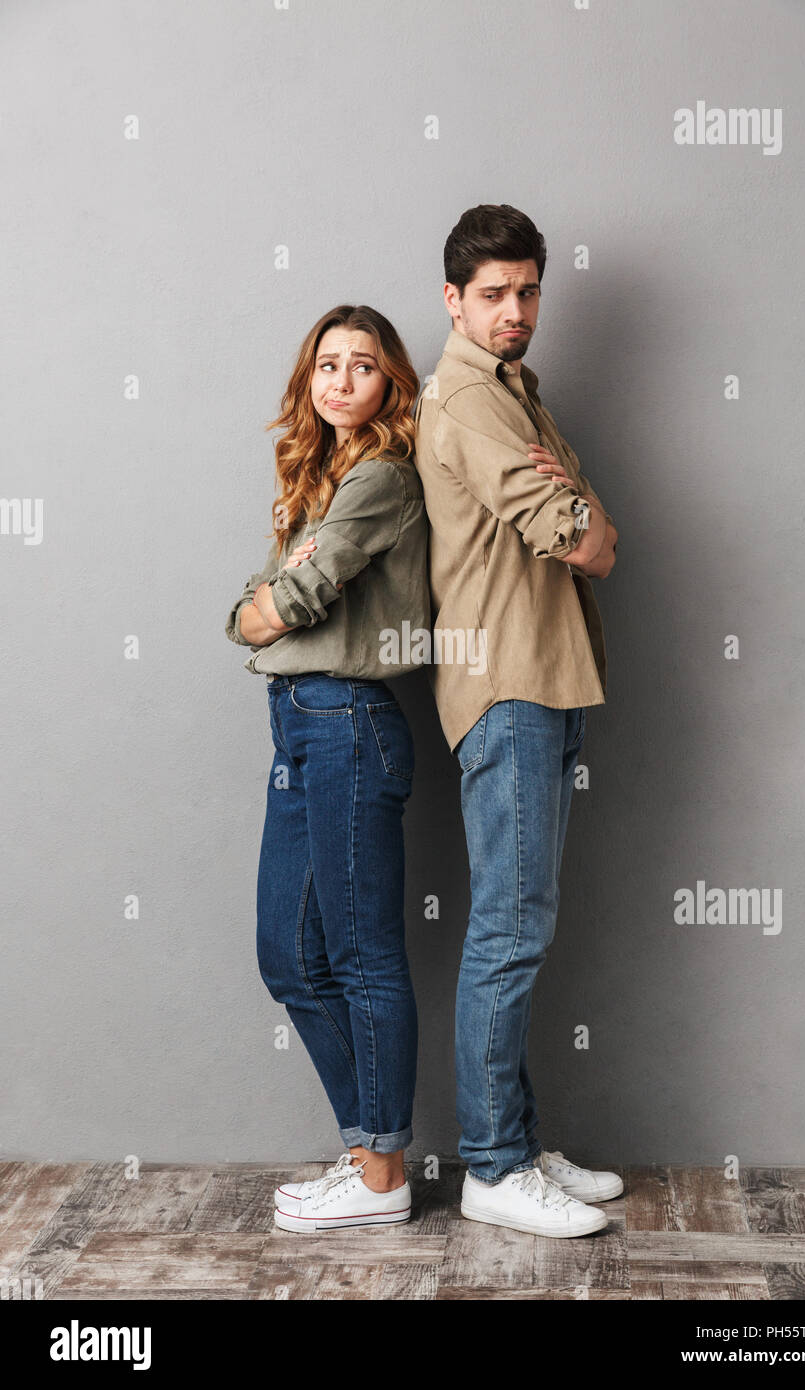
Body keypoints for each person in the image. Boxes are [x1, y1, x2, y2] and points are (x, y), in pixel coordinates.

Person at [414, 205, 623, 1238]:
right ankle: (491, 1167)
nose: (514, 310)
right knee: (507, 926)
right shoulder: (464, 397)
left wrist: (583, 512)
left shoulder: (515, 392)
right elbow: (580, 538)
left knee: (520, 922)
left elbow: (586, 527)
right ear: (452, 298)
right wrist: (584, 513)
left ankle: (515, 1138)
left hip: (542, 676)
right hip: (505, 687)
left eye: (528, 290)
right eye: (492, 293)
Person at [225, 304, 429, 1232]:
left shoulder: (382, 478)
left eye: (363, 366)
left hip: (349, 719)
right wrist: (259, 607)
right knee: (289, 955)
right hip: (300, 726)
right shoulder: (324, 484)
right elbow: (249, 609)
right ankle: (367, 1154)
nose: (341, 381)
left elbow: (290, 599)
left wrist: (264, 605)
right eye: (327, 366)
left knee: (359, 954)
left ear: (390, 383)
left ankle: (383, 1174)